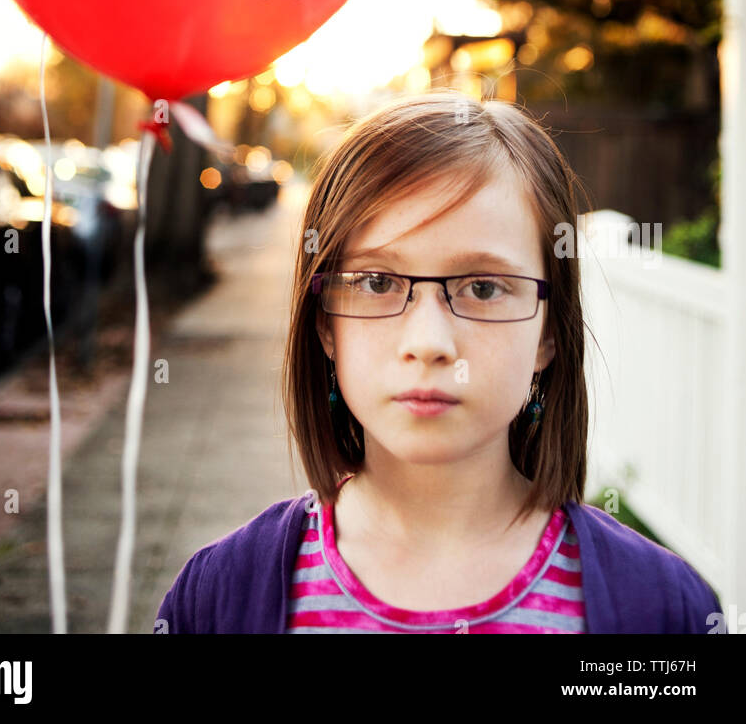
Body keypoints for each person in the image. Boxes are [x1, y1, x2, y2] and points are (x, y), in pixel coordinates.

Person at [153, 91, 725, 634]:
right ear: (325, 324)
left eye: (482, 287)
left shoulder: (660, 606)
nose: (428, 343)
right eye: (376, 281)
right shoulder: (217, 600)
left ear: (549, 331)